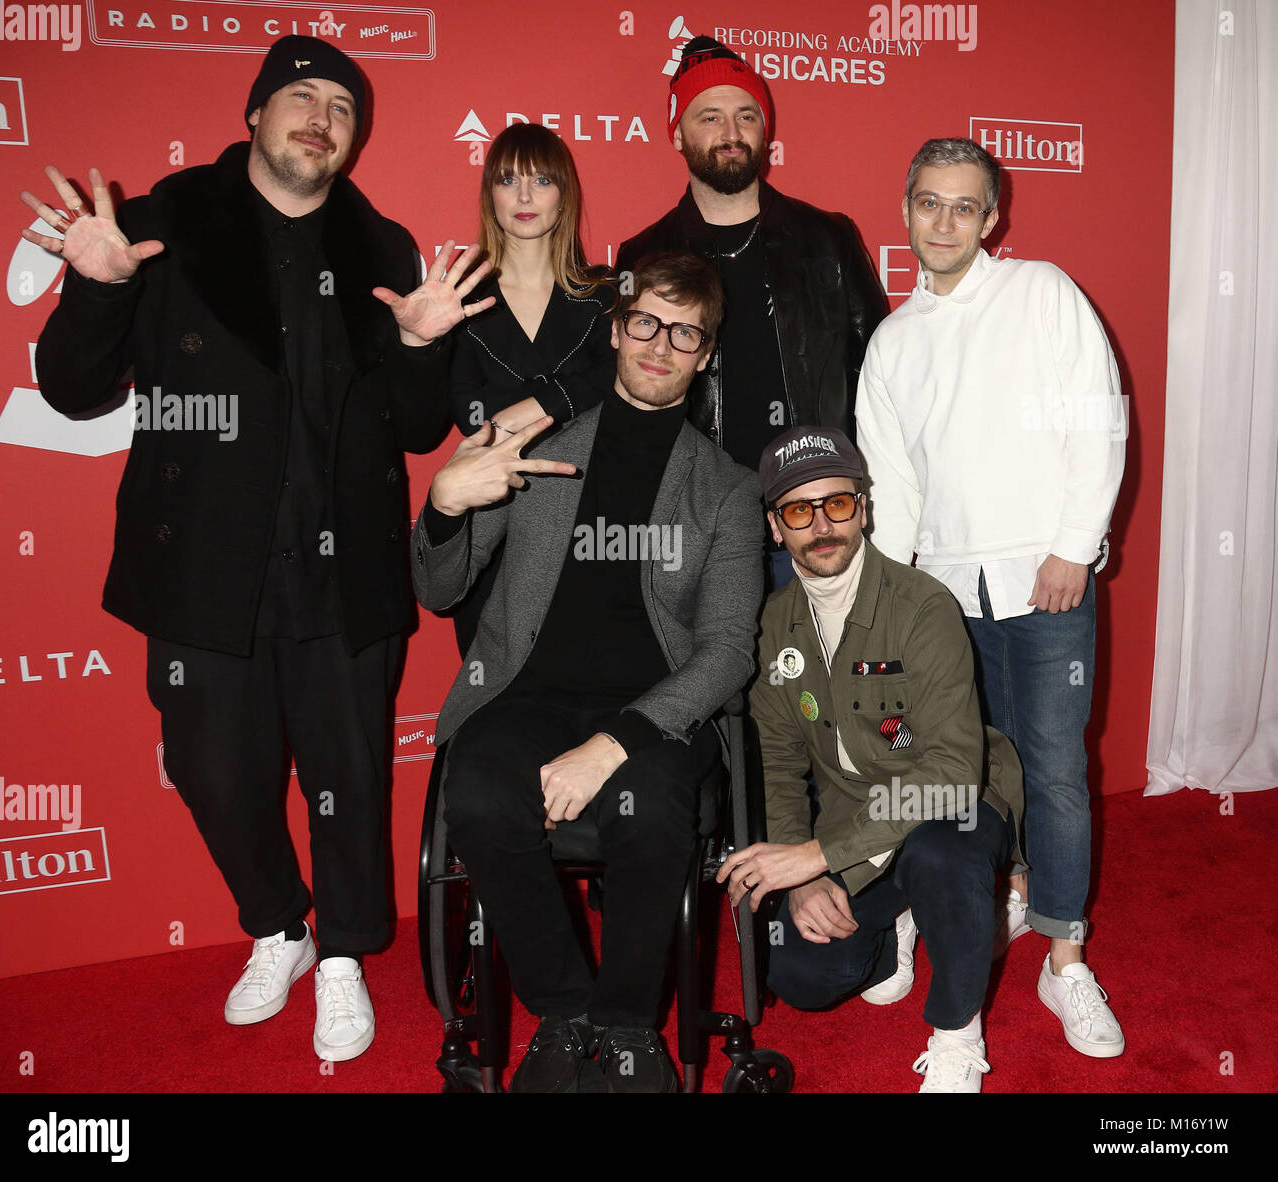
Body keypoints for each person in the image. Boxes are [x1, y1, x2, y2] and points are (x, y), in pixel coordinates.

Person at [21, 35, 492, 1063]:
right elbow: (68, 387)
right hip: (203, 566)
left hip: (343, 565)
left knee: (349, 775)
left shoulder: (384, 249)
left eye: (342, 107)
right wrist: (97, 288)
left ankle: (340, 959)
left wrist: (422, 346)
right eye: (300, 97)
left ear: (355, 141)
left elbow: (416, 430)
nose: (320, 116)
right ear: (253, 115)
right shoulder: (160, 224)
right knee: (212, 769)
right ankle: (279, 926)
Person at [413, 252, 764, 1093]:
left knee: (650, 815)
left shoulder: (725, 489)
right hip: (526, 696)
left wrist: (614, 744)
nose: (660, 345)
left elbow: (727, 652)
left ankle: (628, 1027)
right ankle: (565, 1014)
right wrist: (446, 502)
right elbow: (440, 588)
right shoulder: (533, 447)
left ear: (705, 354)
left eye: (685, 333)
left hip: (654, 716)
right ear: (615, 329)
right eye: (645, 323)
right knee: (482, 792)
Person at [855, 137, 1127, 1058]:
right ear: (906, 208)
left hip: (1044, 579)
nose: (944, 221)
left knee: (1052, 770)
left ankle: (1066, 959)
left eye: (964, 206)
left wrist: (1072, 547)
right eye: (929, 202)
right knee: (964, 773)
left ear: (992, 217)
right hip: (942, 595)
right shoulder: (891, 343)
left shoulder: (1042, 291)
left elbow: (1098, 417)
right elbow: (890, 489)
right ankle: (1003, 900)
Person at [719, 426, 1025, 1092]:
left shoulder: (923, 606)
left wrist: (819, 856)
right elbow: (777, 763)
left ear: (865, 508)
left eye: (837, 503)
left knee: (941, 855)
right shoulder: (774, 625)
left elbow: (948, 774)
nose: (821, 525)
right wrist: (802, 875)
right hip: (858, 819)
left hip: (957, 804)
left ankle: (957, 1034)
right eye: (799, 510)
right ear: (776, 527)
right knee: (802, 977)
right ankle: (901, 923)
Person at [616, 36, 888, 482]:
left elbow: (880, 371)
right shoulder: (642, 255)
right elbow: (626, 392)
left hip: (811, 507)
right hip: (697, 512)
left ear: (765, 130)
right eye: (711, 117)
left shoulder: (829, 239)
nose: (731, 134)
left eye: (746, 116)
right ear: (678, 134)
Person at [446, 122, 617, 653]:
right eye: (507, 180)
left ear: (564, 195)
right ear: (488, 195)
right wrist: (561, 401)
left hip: (592, 526)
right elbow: (465, 411)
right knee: (491, 712)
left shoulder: (604, 293)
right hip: (491, 531)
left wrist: (532, 406)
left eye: (541, 180)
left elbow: (621, 389)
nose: (523, 196)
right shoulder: (459, 299)